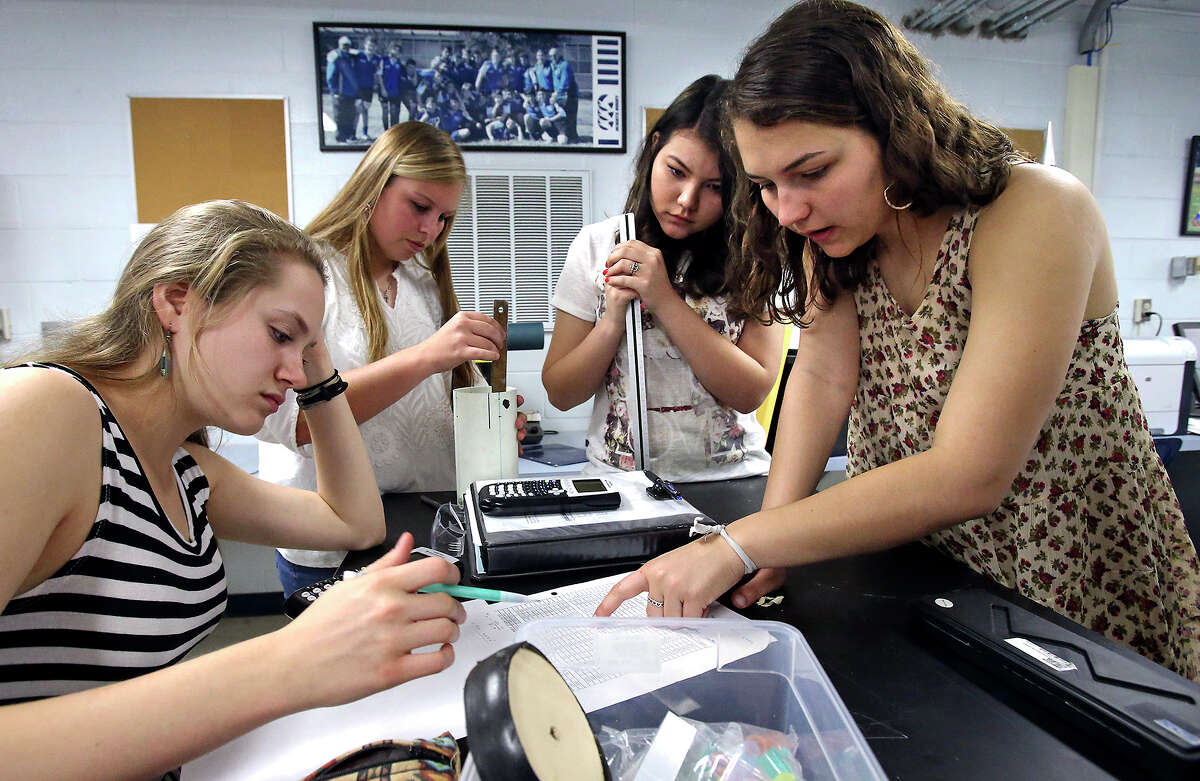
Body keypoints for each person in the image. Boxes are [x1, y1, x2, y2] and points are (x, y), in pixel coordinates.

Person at [596, 0, 1200, 682]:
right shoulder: (839, 235)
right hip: (923, 557)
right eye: (766, 186)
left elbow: (970, 472)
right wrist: (771, 542)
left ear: (898, 127)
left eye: (813, 171)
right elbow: (822, 381)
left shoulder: (1036, 211)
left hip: (1062, 564)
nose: (788, 211)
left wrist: (740, 542)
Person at [0, 200, 467, 778]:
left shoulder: (182, 467)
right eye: (279, 334)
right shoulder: (47, 414)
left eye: (306, 351)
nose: (294, 371)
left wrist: (321, 371)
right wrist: (288, 662)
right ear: (176, 301)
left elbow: (353, 524)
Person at [257, 122, 522, 596]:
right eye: (419, 207)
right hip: (333, 546)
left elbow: (428, 412)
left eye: (444, 218)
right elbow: (293, 422)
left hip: (425, 535)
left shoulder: (424, 286)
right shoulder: (307, 278)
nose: (430, 229)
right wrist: (424, 358)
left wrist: (490, 426)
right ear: (374, 183)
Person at [543, 75, 783, 483]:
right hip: (619, 481)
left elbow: (751, 392)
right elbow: (561, 393)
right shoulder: (597, 245)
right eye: (676, 171)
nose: (687, 200)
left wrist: (666, 300)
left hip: (734, 480)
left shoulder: (758, 253)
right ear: (654, 149)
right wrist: (613, 322)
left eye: (714, 187)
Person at [326, 35, 359, 144]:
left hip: (351, 93)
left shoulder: (351, 58)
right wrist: (334, 91)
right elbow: (330, 77)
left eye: (348, 45)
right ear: (339, 45)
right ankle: (340, 138)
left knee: (350, 115)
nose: (346, 47)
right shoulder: (335, 58)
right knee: (339, 116)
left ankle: (348, 136)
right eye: (344, 45)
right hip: (339, 93)